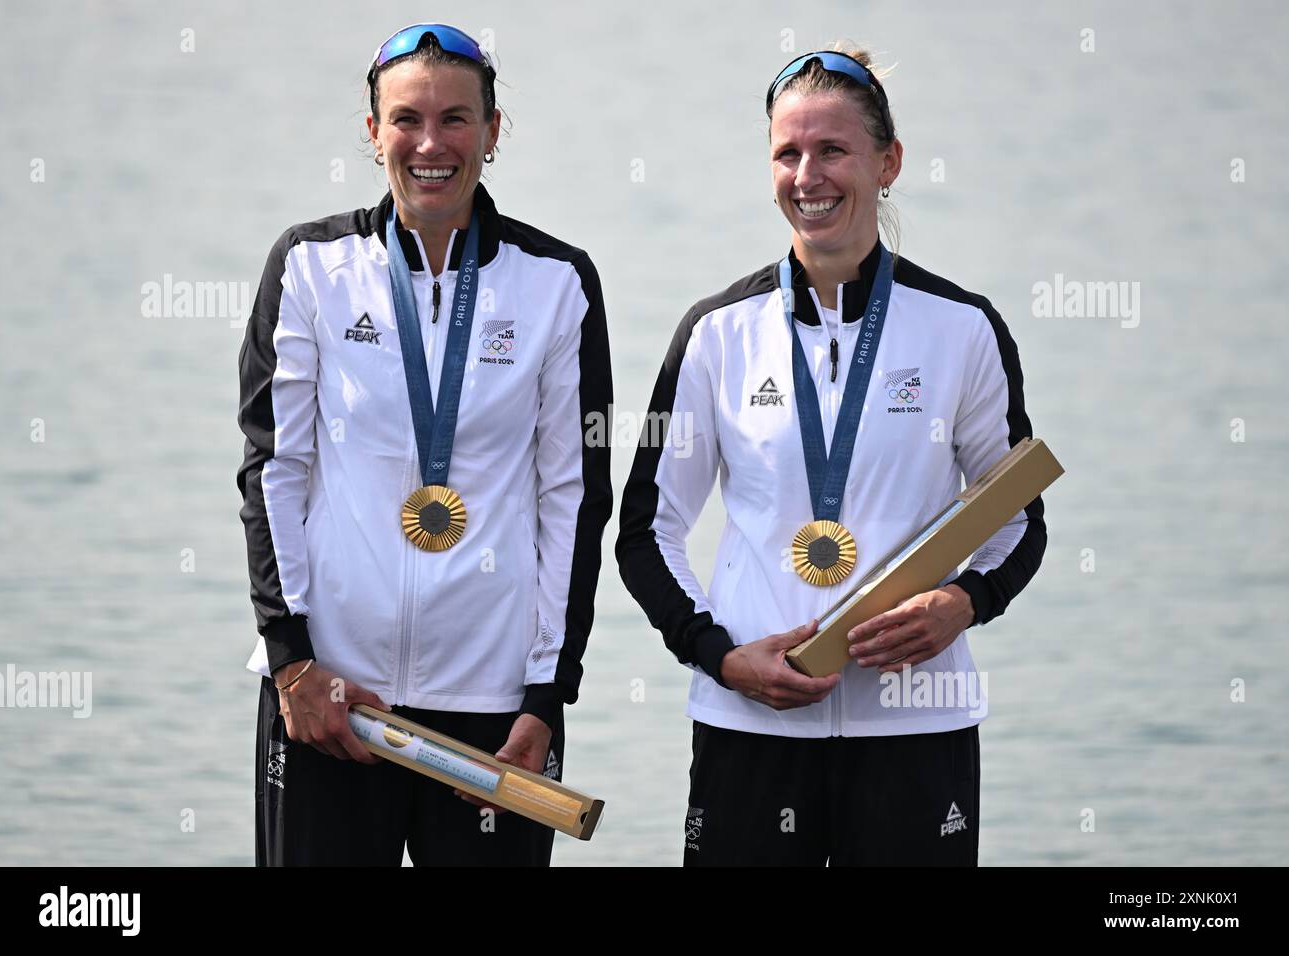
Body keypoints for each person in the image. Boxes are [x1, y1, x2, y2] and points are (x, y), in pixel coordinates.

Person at [616, 44, 1047, 866]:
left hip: (918, 721)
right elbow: (646, 531)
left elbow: (1017, 520)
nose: (808, 175)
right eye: (788, 153)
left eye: (833, 150)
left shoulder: (962, 327)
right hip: (753, 722)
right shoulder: (717, 333)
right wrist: (720, 655)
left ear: (888, 162)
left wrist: (966, 603)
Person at [237, 23, 612, 866]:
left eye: (455, 119)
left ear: (492, 131)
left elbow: (575, 500)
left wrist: (548, 696)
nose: (430, 143)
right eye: (406, 119)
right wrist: (292, 661)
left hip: (492, 707)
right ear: (373, 134)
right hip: (330, 699)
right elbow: (272, 474)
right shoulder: (308, 266)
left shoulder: (558, 282)